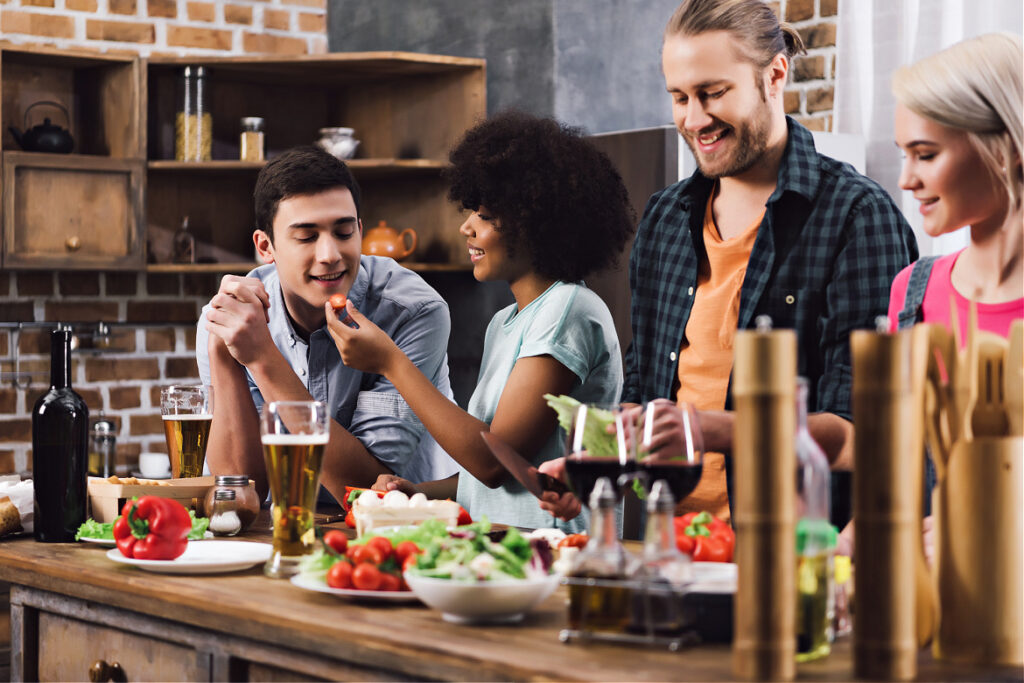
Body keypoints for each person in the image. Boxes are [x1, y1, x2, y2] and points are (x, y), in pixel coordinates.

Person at [540, 0, 918, 523]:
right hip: (668, 548)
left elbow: (866, 434)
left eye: (714, 93)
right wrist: (603, 466)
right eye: (680, 97)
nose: (695, 120)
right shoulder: (666, 216)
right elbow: (647, 390)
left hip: (792, 557)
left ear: (775, 75)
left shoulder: (856, 216)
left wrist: (709, 428)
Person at [326, 111, 634, 532]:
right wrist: (417, 491)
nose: (465, 227)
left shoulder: (568, 310)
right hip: (503, 555)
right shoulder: (506, 322)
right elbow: (492, 479)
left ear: (536, 223)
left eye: (485, 216)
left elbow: (494, 462)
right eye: (470, 211)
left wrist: (390, 363)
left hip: (557, 558)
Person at [196, 146, 459, 502]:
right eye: (306, 237)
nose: (330, 254)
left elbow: (369, 491)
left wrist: (262, 359)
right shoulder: (233, 317)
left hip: (399, 538)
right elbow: (242, 491)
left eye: (344, 232)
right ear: (265, 246)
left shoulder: (412, 311)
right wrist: (222, 350)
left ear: (361, 231)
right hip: (282, 537)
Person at [882, 32, 1023, 564]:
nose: (906, 180)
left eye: (926, 154)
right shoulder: (912, 293)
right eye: (903, 155)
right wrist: (853, 540)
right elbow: (900, 469)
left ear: (1007, 149)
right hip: (935, 616)